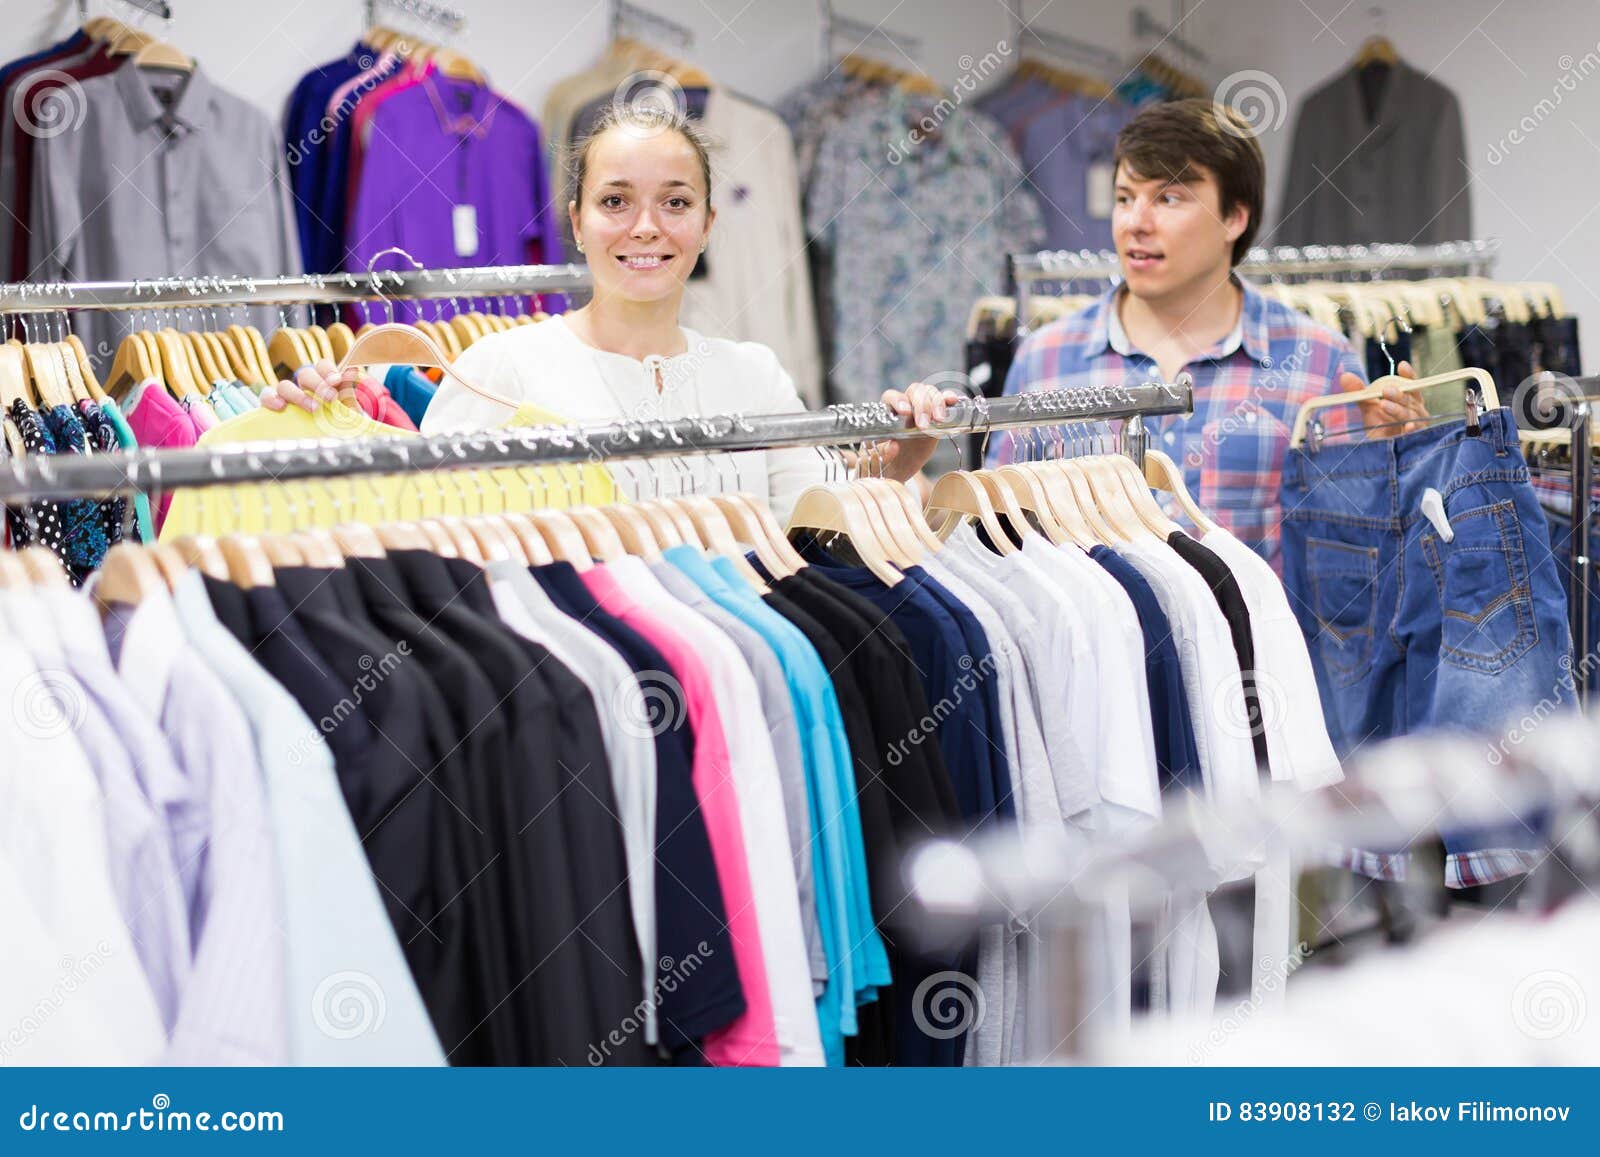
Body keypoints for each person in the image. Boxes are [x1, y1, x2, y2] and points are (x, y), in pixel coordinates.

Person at [266, 103, 935, 523]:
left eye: (674, 203)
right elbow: (424, 537)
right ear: (577, 224)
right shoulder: (501, 370)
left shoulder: (753, 375)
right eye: (616, 201)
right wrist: (324, 430)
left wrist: (899, 462)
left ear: (706, 226)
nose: (646, 226)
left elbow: (817, 519)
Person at [884, 98, 1428, 565]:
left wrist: (1395, 463)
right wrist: (905, 479)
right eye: (1125, 198)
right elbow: (997, 536)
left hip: (1255, 677)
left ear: (1235, 217)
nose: (1135, 222)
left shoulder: (1317, 362)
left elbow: (1355, 557)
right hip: (1098, 674)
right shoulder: (1047, 358)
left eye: (1168, 198)